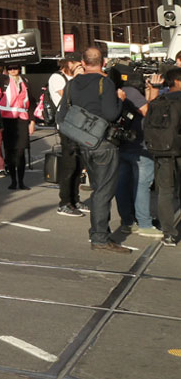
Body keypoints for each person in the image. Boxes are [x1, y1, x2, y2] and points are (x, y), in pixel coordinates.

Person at [63, 46, 129, 253]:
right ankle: (100, 237)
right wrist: (121, 100)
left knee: (98, 188)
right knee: (103, 191)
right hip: (104, 143)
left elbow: (64, 112)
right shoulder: (105, 83)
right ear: (103, 62)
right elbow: (110, 114)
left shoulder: (72, 84)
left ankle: (101, 232)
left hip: (83, 142)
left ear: (82, 62)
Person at [113, 65, 162, 238]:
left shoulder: (116, 90)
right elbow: (148, 113)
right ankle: (144, 223)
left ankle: (128, 221)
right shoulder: (130, 92)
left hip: (122, 145)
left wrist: (148, 93)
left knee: (123, 184)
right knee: (142, 185)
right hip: (139, 146)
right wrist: (155, 90)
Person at [146, 66, 181, 247]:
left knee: (165, 192)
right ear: (177, 81)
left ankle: (168, 233)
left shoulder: (159, 100)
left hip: (162, 151)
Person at [50, 55, 86, 216]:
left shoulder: (77, 80)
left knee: (79, 164)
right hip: (66, 124)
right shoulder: (57, 78)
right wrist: (79, 78)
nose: (81, 68)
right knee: (69, 164)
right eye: (78, 64)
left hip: (80, 124)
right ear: (69, 63)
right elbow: (68, 96)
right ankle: (64, 202)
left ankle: (75, 199)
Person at [0, 61, 35, 191]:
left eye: (15, 68)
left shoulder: (25, 80)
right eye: (10, 68)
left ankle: (21, 181)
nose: (13, 70)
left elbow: (31, 101)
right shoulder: (3, 80)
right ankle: (13, 181)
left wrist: (32, 121)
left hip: (22, 120)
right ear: (6, 70)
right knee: (9, 152)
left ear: (20, 69)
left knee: (20, 152)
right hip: (7, 120)